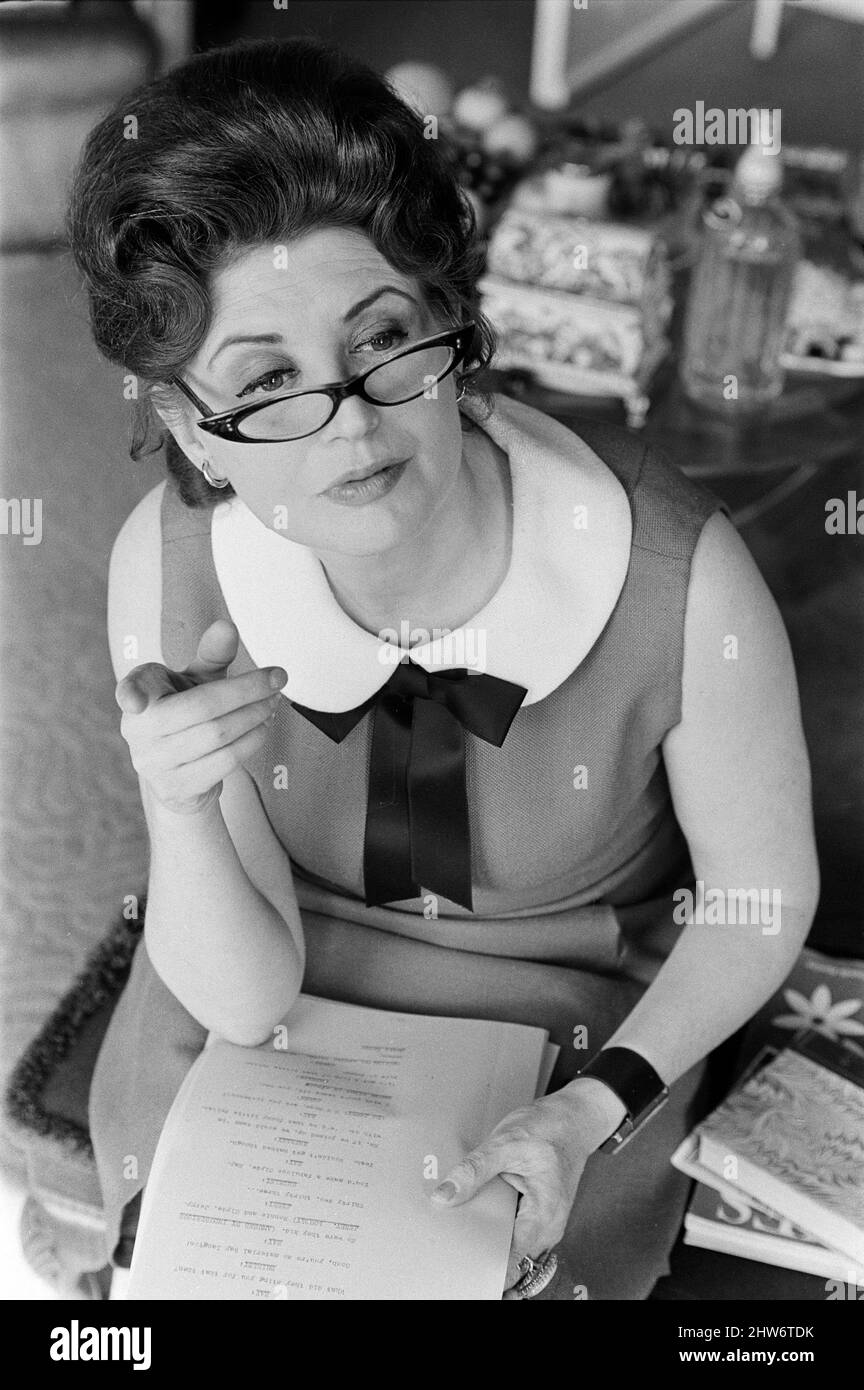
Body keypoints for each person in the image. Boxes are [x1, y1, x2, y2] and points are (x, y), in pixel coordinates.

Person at [68, 36, 819, 1300]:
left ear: (453, 319)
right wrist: (181, 810)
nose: (353, 421)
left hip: (572, 1032)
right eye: (267, 384)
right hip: (263, 1003)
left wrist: (598, 1107)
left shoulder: (676, 568)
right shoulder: (170, 570)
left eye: (386, 340)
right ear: (189, 420)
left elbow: (761, 896)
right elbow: (248, 994)